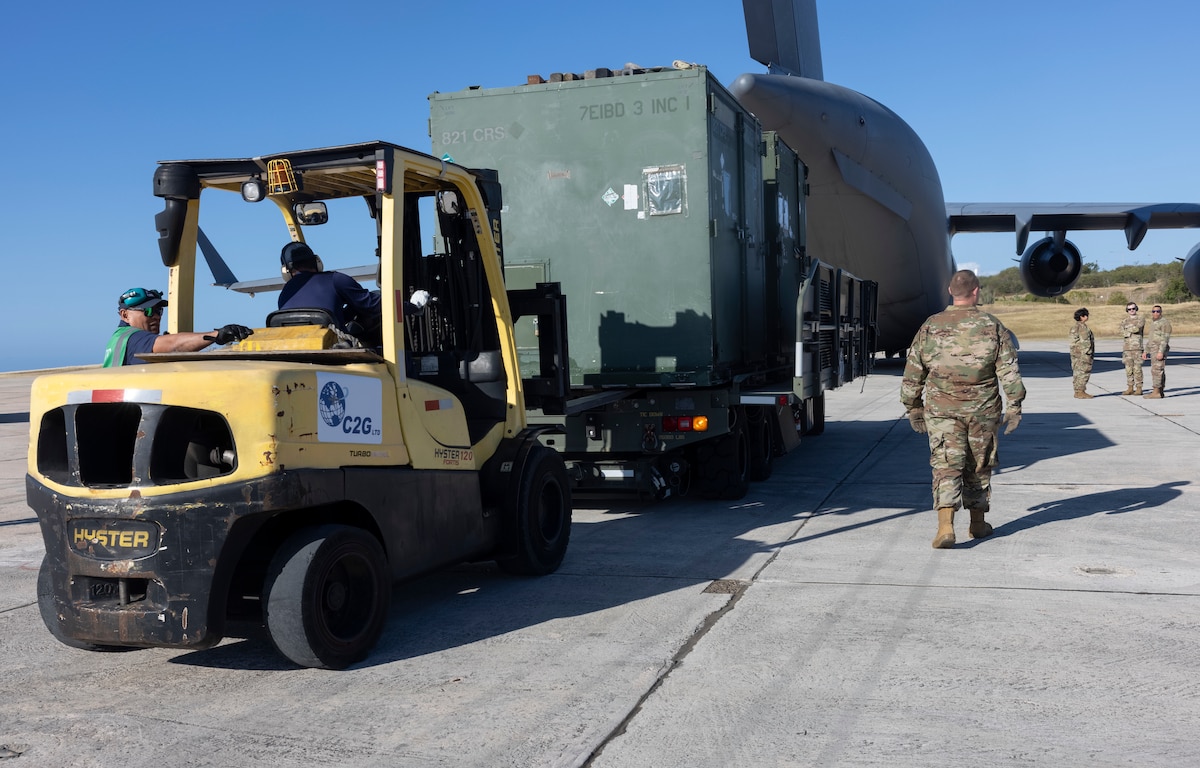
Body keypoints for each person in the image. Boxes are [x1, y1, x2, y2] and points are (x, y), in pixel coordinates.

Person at [900, 269, 1025, 549]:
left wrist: (913, 406)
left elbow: (913, 371)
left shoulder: (930, 326)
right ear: (976, 291)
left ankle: (945, 527)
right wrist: (1015, 406)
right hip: (983, 410)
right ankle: (978, 524)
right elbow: (1009, 371)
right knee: (979, 465)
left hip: (942, 411)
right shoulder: (992, 325)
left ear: (949, 291)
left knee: (946, 465)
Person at [104, 287, 254, 367]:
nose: (156, 316)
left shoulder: (120, 338)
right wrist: (217, 335)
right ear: (125, 315)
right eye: (148, 311)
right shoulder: (132, 338)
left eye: (159, 310)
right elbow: (173, 345)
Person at [277, 242, 382, 332]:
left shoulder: (285, 294)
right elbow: (374, 305)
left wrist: (349, 312)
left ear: (286, 271)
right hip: (334, 348)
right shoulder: (335, 280)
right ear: (317, 262)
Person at [1143, 304, 1172, 398]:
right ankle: (1160, 391)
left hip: (1159, 349)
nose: (1155, 313)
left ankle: (1156, 392)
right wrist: (1146, 351)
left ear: (1161, 312)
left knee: (1157, 370)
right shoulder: (1154, 323)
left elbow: (1165, 339)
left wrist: (1161, 351)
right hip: (1153, 348)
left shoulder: (1164, 323)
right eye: (1153, 311)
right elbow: (1151, 339)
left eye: (1158, 311)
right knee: (1158, 370)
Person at [1119, 302, 1145, 395]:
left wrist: (1127, 329)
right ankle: (1130, 387)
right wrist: (1129, 330)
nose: (1131, 310)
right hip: (1127, 348)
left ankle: (1139, 388)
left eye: (1133, 308)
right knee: (1128, 369)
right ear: (1127, 310)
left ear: (1136, 308)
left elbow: (1137, 329)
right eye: (1129, 309)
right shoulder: (1124, 321)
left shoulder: (1140, 319)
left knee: (1137, 368)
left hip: (1137, 347)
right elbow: (1121, 331)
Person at [1069, 307, 1094, 399]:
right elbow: (1085, 342)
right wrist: (1087, 354)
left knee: (1077, 372)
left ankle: (1077, 391)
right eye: (1086, 315)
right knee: (1084, 372)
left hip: (1075, 354)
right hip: (1083, 354)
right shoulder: (1082, 328)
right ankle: (1081, 391)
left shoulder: (1074, 327)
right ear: (1082, 317)